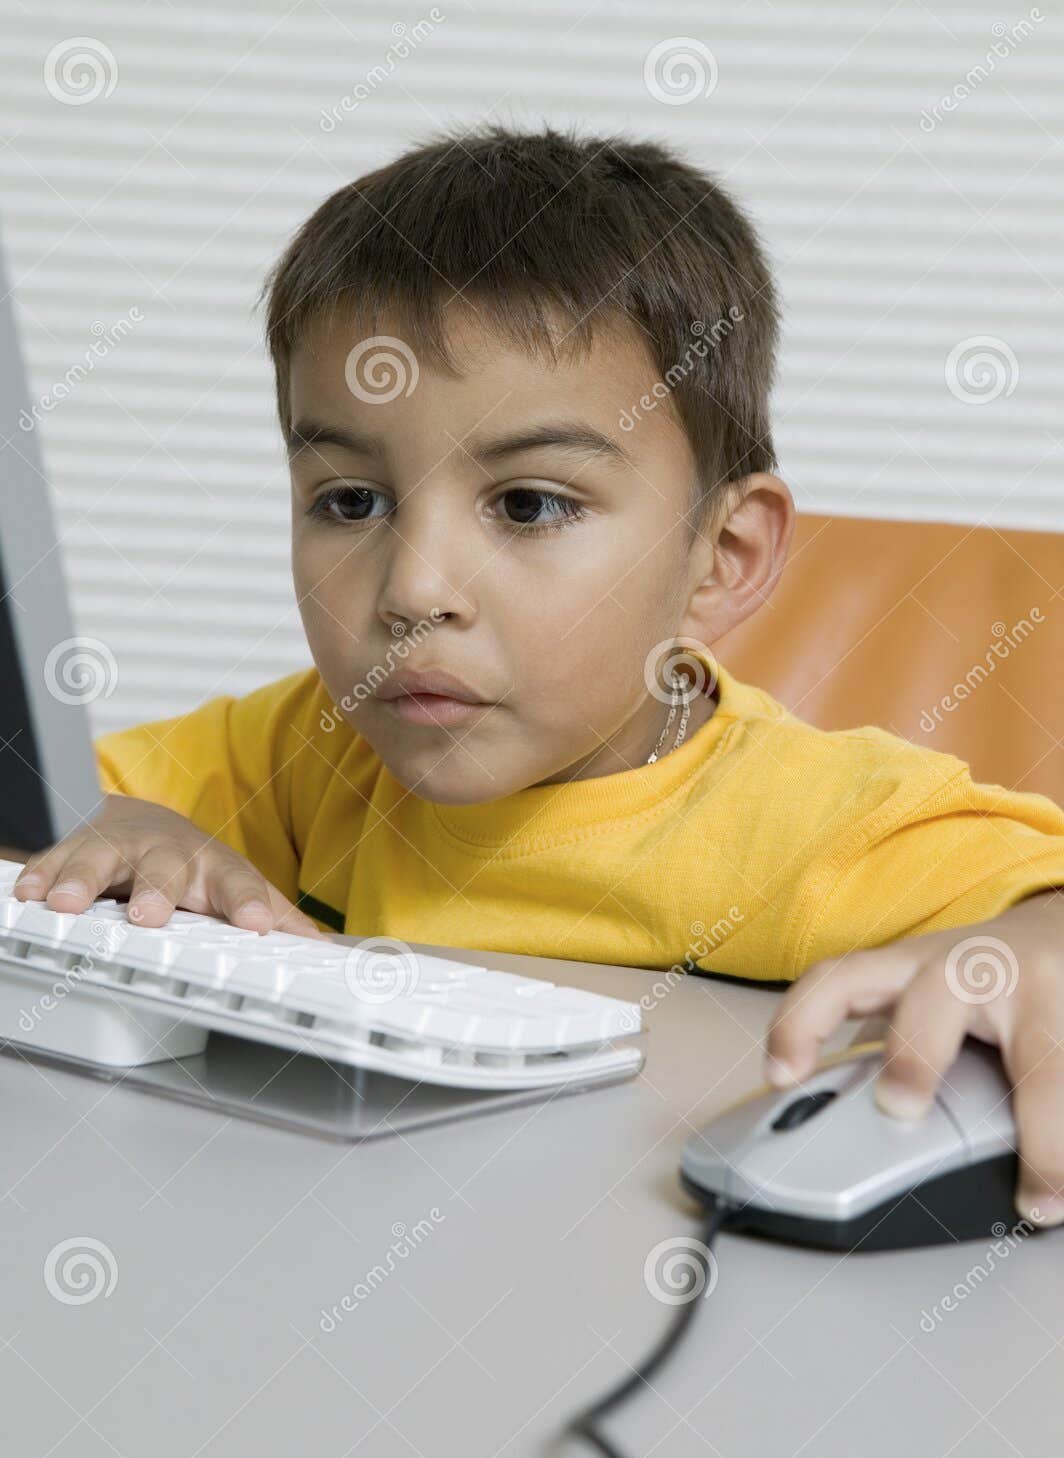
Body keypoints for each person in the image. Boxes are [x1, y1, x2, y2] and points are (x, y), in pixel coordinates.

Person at [13, 124, 1064, 1222]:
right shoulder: (303, 751)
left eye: (527, 504)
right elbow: (39, 810)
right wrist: (112, 827)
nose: (414, 589)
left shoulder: (814, 825)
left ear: (723, 556)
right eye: (349, 501)